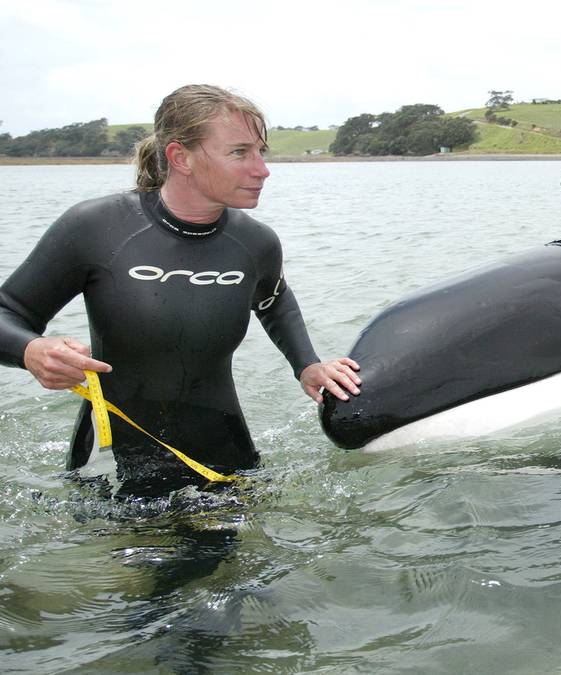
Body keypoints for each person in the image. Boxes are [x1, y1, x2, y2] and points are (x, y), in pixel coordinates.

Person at [0, 84, 361, 497]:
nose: (262, 169)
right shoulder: (97, 229)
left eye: (262, 151)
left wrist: (306, 364)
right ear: (180, 157)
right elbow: (6, 312)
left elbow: (273, 297)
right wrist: (30, 351)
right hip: (115, 464)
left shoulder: (255, 243)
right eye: (240, 152)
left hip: (226, 455)